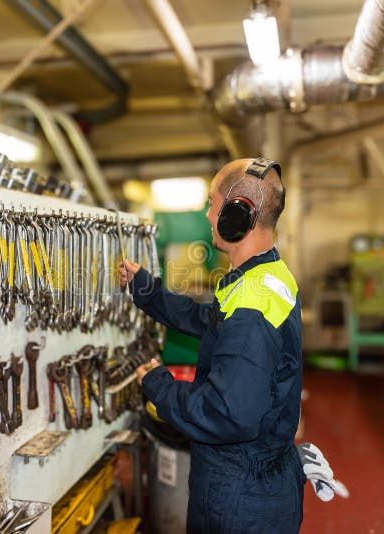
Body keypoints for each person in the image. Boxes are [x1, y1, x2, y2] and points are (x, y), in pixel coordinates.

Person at [120, 157, 304, 533]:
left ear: (239, 214)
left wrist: (158, 384)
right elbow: (211, 322)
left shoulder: (252, 306)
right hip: (260, 480)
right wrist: (147, 290)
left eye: (212, 204)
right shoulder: (265, 277)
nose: (207, 216)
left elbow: (226, 414)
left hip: (240, 496)